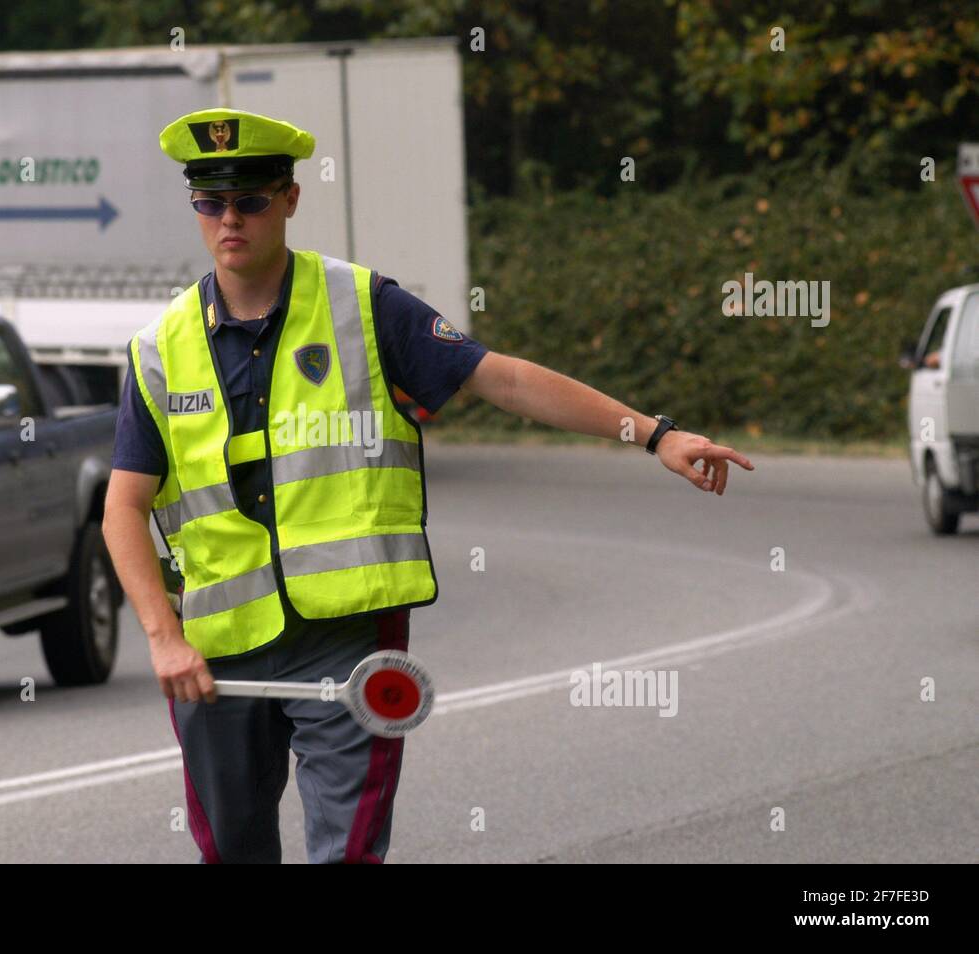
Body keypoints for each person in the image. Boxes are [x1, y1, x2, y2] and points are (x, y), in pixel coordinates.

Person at [102, 108, 754, 864]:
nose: (229, 221)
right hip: (215, 656)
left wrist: (654, 433)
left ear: (289, 199)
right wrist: (162, 639)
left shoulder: (362, 305)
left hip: (347, 641)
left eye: (250, 200)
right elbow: (123, 506)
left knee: (346, 854)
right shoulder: (160, 350)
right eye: (210, 204)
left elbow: (500, 378)